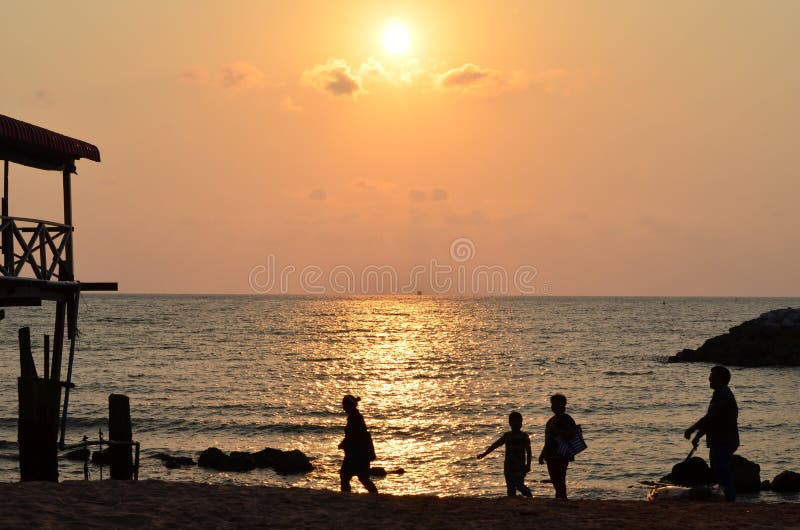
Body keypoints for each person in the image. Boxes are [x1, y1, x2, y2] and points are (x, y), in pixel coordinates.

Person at [684, 365, 739, 502]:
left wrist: (692, 430)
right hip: (721, 439)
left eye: (712, 376)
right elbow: (712, 419)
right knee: (719, 471)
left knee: (722, 472)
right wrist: (698, 435)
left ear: (720, 378)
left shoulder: (723, 394)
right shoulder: (720, 393)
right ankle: (726, 500)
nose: (709, 379)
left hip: (724, 440)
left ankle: (730, 500)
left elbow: (710, 418)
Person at [477, 411, 533, 497]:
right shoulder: (507, 436)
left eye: (519, 422)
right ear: (510, 423)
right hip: (508, 465)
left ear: (521, 423)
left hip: (520, 466)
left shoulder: (524, 436)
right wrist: (484, 454)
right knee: (510, 487)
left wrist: (528, 465)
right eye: (514, 422)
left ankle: (529, 496)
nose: (517, 424)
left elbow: (529, 452)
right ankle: (512, 501)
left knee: (519, 485)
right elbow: (495, 445)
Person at [538, 394, 577, 499]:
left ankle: (561, 498)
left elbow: (572, 434)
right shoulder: (551, 421)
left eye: (556, 405)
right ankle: (560, 497)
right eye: (552, 404)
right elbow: (547, 440)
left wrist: (558, 431)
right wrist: (542, 454)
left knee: (560, 478)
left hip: (561, 453)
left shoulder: (566, 419)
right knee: (555, 479)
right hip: (550, 454)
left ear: (563, 406)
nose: (553, 407)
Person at [338, 394, 378, 493]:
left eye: (344, 405)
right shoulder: (355, 417)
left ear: (350, 405)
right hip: (359, 453)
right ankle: (374, 495)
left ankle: (346, 495)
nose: (343, 407)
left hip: (356, 454)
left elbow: (354, 436)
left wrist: (344, 444)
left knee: (345, 475)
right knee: (362, 477)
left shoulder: (354, 418)